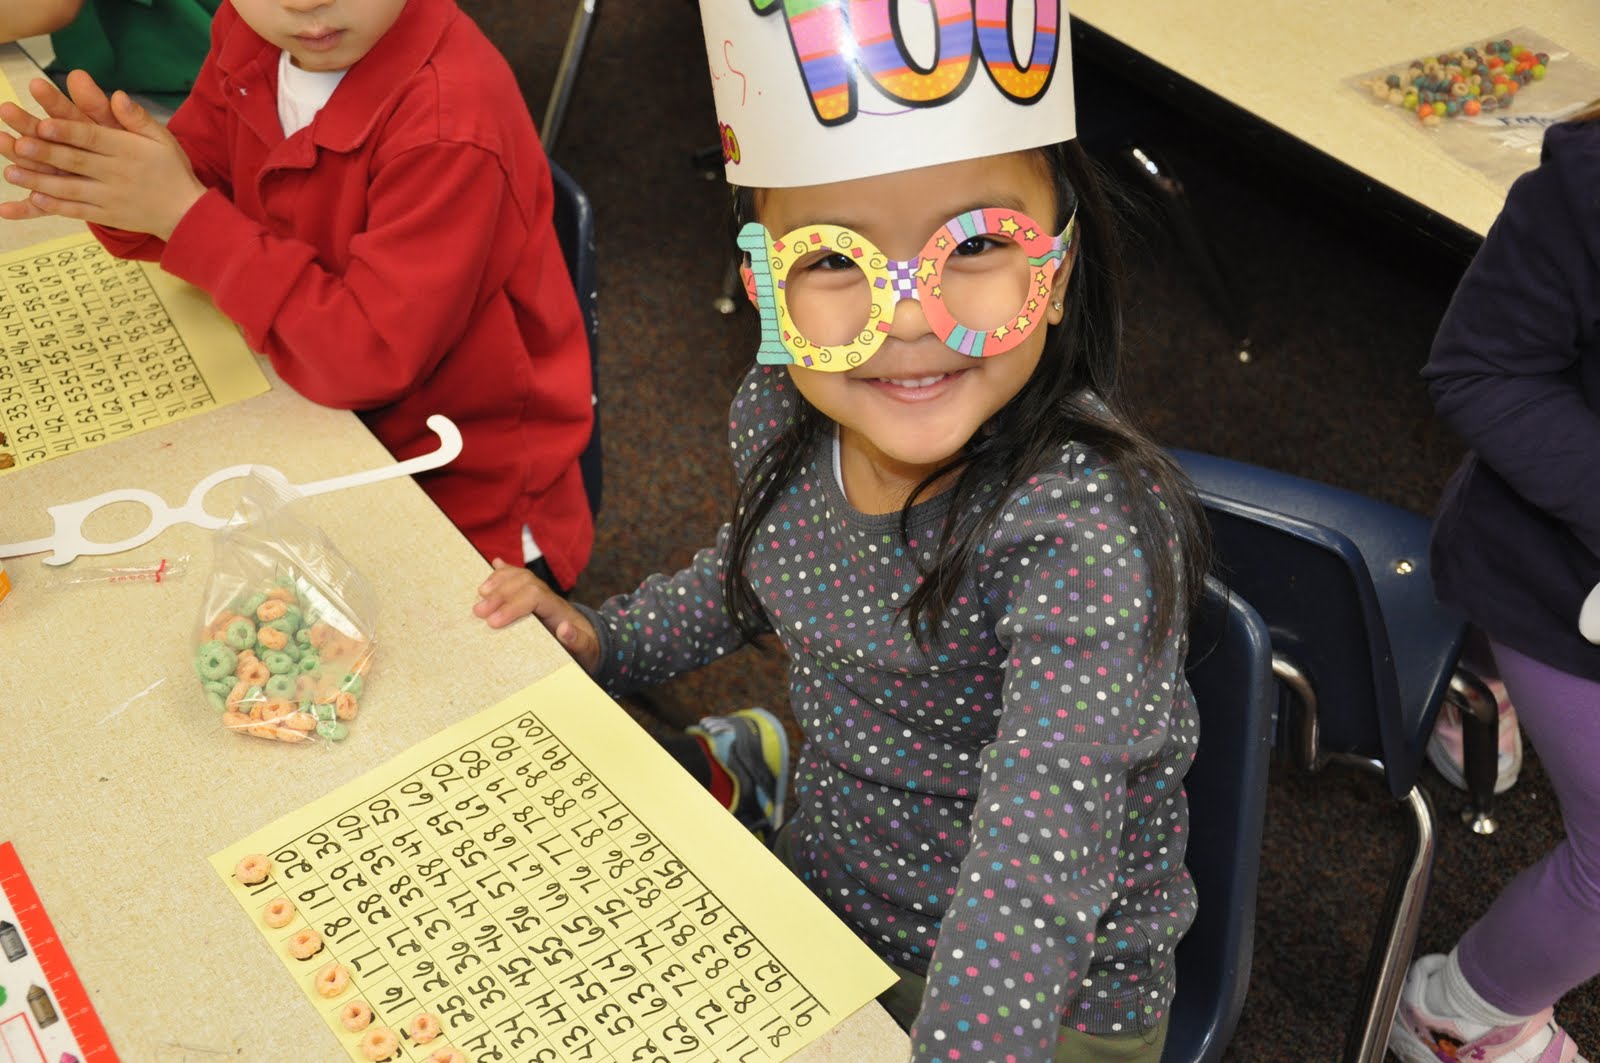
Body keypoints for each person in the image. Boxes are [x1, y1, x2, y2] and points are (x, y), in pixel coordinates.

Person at [476, 5, 1211, 1059]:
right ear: (763, 290)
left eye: (977, 244)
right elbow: (751, 574)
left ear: (1056, 273)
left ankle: (744, 766)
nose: (907, 315)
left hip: (1041, 999)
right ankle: (758, 766)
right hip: (832, 897)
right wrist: (608, 638)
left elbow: (1041, 854)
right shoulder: (783, 412)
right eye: (833, 260)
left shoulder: (1083, 536)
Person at [0, 0, 595, 591]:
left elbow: (371, 357)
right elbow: (201, 189)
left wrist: (180, 213)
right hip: (319, 414)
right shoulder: (253, 32)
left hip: (463, 492)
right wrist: (125, 185)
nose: (305, 1)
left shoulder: (449, 121)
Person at [1392, 101, 1600, 1063]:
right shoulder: (1587, 185)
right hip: (1546, 568)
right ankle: (1458, 1014)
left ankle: (1470, 676)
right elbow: (1480, 369)